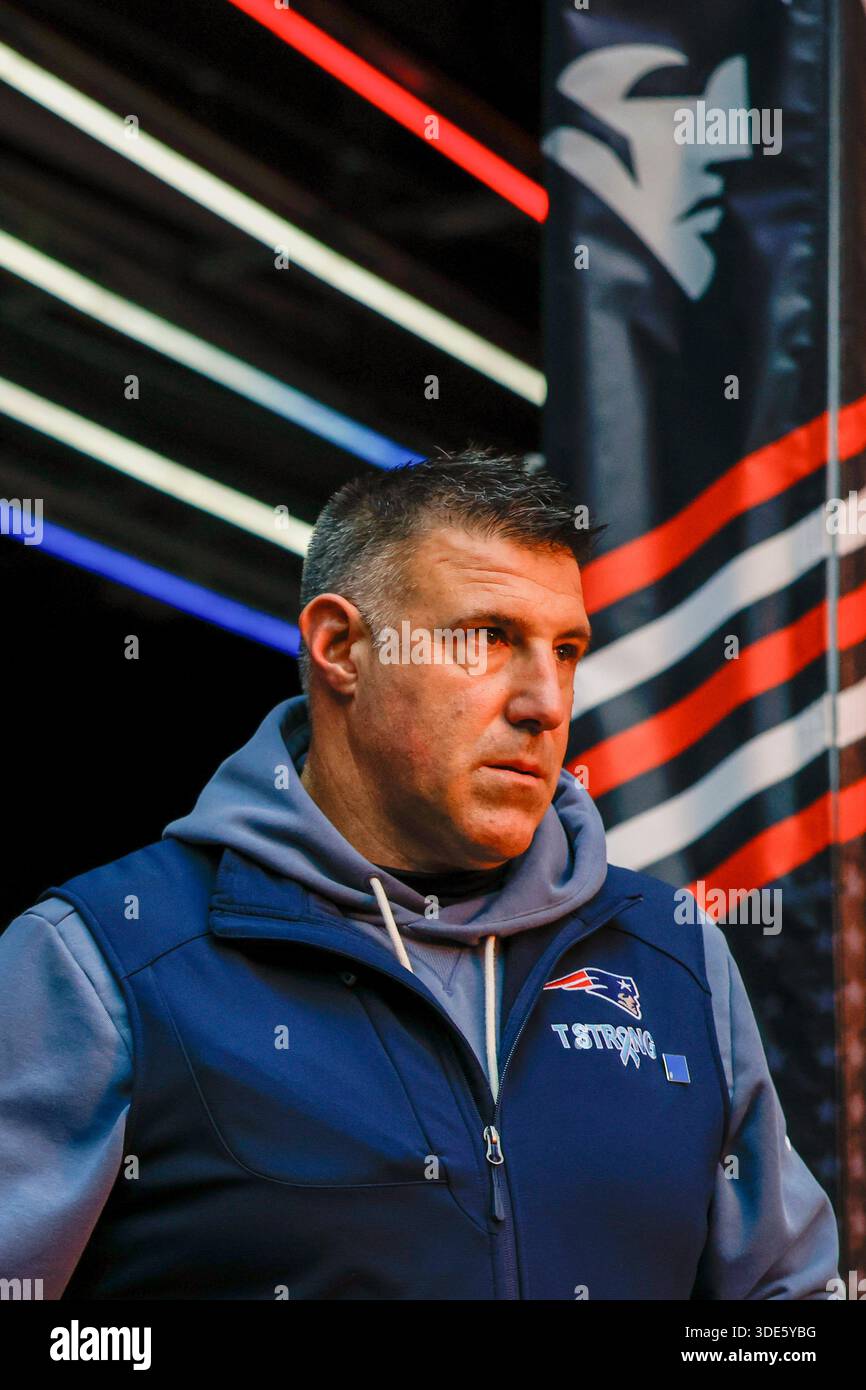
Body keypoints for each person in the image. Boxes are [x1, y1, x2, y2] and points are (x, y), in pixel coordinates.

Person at [0, 451, 840, 1299]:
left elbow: (783, 1308)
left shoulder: (675, 958)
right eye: (489, 638)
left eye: (568, 649)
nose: (546, 702)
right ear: (340, 648)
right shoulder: (102, 963)